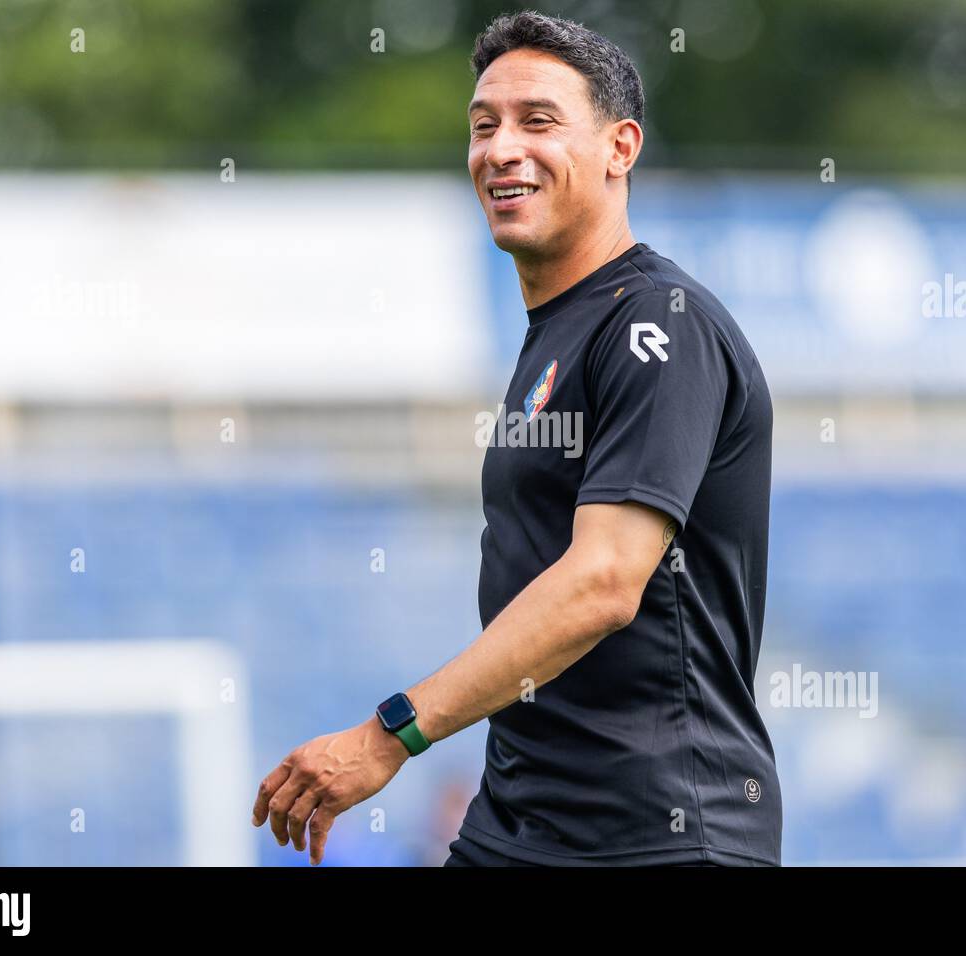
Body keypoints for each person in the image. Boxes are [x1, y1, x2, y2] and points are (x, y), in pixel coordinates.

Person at [252, 10, 780, 867]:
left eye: (538, 121)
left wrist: (392, 734)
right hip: (521, 823)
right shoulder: (558, 333)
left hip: (658, 835)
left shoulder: (658, 323)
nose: (501, 148)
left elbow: (605, 581)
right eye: (483, 125)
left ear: (620, 147)